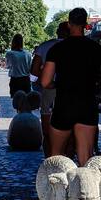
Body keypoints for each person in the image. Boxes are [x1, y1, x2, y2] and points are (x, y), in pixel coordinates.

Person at [41, 8, 101, 166]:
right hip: (87, 106)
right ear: (86, 24)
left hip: (64, 105)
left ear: (69, 24)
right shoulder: (97, 49)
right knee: (85, 161)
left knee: (56, 158)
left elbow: (45, 82)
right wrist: (96, 80)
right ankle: (84, 190)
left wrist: (58, 83)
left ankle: (58, 189)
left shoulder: (57, 49)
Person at [31, 21, 70, 157]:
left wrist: (44, 79)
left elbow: (34, 71)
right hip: (70, 91)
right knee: (69, 128)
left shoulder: (44, 47)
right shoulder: (76, 47)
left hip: (49, 89)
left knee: (47, 131)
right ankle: (67, 158)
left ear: (57, 31)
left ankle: (49, 160)